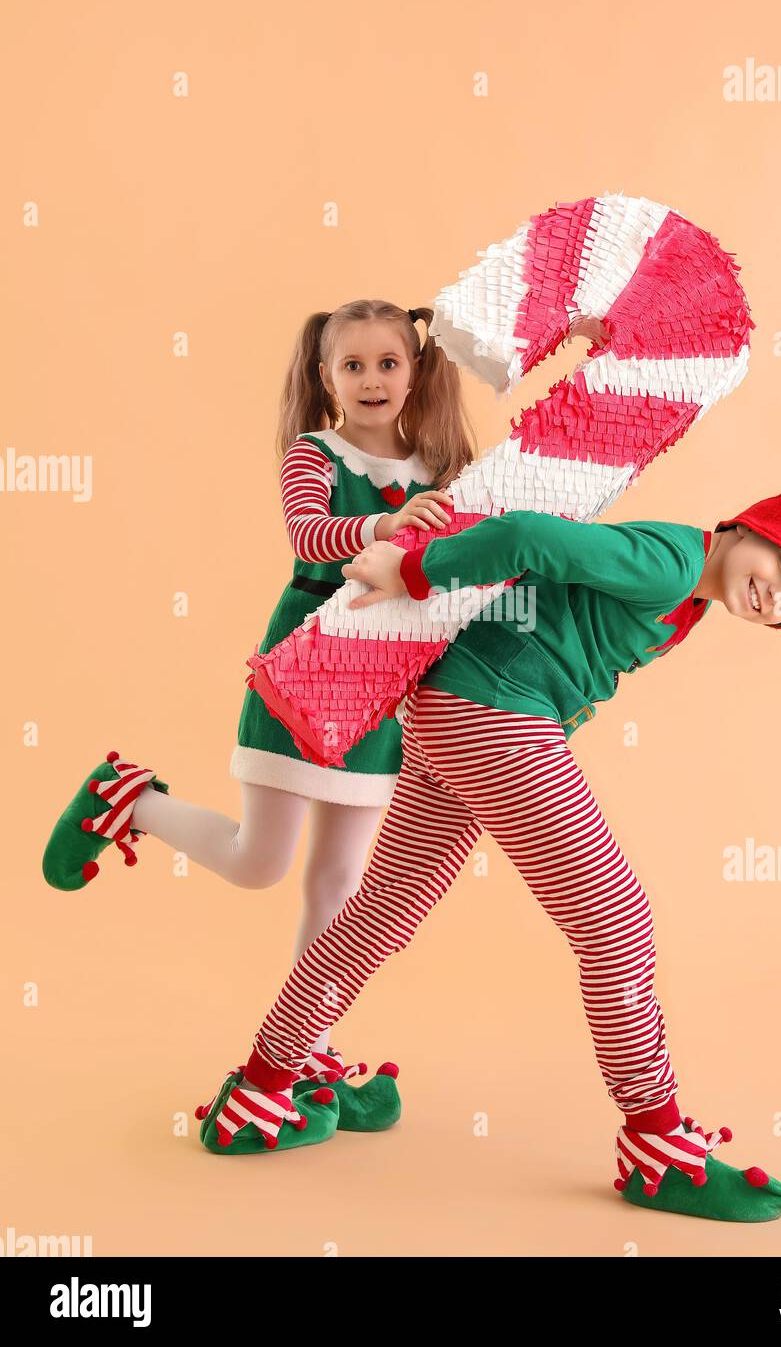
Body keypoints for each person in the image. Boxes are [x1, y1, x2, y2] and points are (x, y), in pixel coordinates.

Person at [196, 492, 781, 1221]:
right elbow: (530, 536)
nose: (775, 593)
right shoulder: (671, 563)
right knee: (617, 923)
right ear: (747, 527)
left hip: (454, 709)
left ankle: (261, 1089)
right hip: (494, 717)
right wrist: (413, 571)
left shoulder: (689, 595)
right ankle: (656, 1149)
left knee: (382, 912)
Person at [41, 298, 478, 1128]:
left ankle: (305, 1044)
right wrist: (387, 524)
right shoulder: (314, 453)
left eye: (389, 362)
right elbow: (307, 536)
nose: (373, 379)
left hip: (384, 690)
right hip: (306, 670)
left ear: (416, 369)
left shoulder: (442, 467)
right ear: (325, 377)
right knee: (258, 862)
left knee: (340, 884)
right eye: (353, 365)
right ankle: (132, 800)